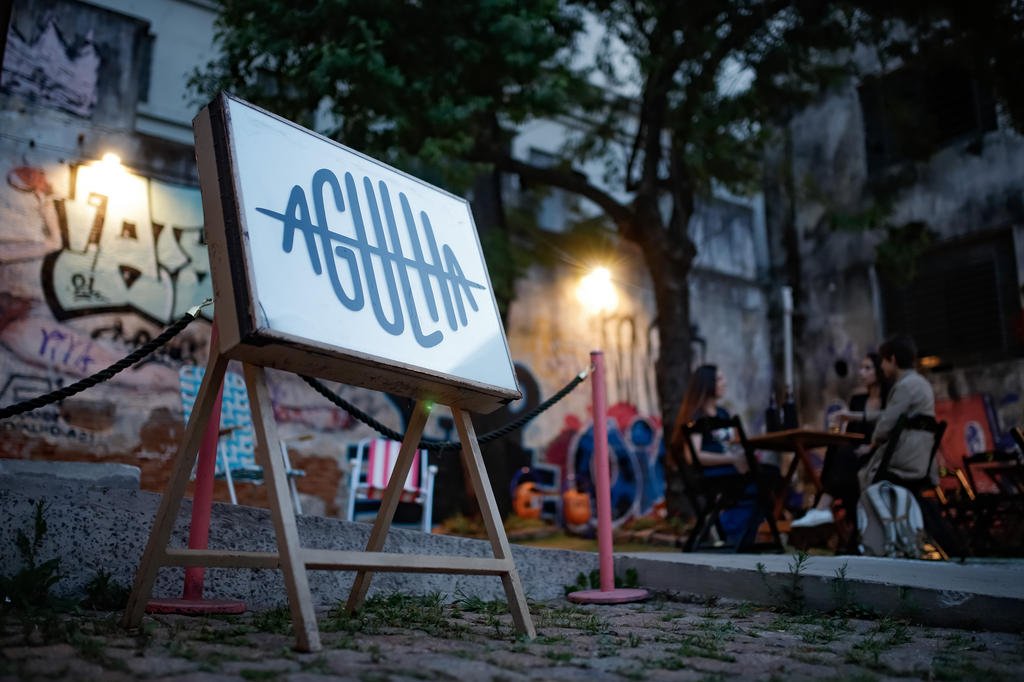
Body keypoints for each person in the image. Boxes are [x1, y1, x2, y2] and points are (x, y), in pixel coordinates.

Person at [791, 352, 890, 529]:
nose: (861, 372)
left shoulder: (888, 402)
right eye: (861, 368)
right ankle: (822, 506)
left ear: (879, 371)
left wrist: (869, 446)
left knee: (842, 454)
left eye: (867, 368)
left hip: (877, 455)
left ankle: (821, 506)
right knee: (837, 449)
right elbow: (850, 435)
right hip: (855, 455)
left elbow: (888, 430)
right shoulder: (857, 400)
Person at [857, 334, 937, 490]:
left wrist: (871, 445)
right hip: (921, 457)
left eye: (884, 361)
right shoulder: (921, 383)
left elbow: (884, 427)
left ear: (893, 359)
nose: (881, 366)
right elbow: (890, 415)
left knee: (859, 470)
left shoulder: (904, 386)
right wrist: (857, 416)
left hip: (905, 459)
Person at [671, 364, 750, 475]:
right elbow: (692, 456)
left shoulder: (723, 413)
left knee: (769, 473)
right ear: (707, 383)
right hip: (714, 476)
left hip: (731, 470)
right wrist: (731, 459)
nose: (724, 383)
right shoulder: (697, 417)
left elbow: (732, 442)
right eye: (719, 379)